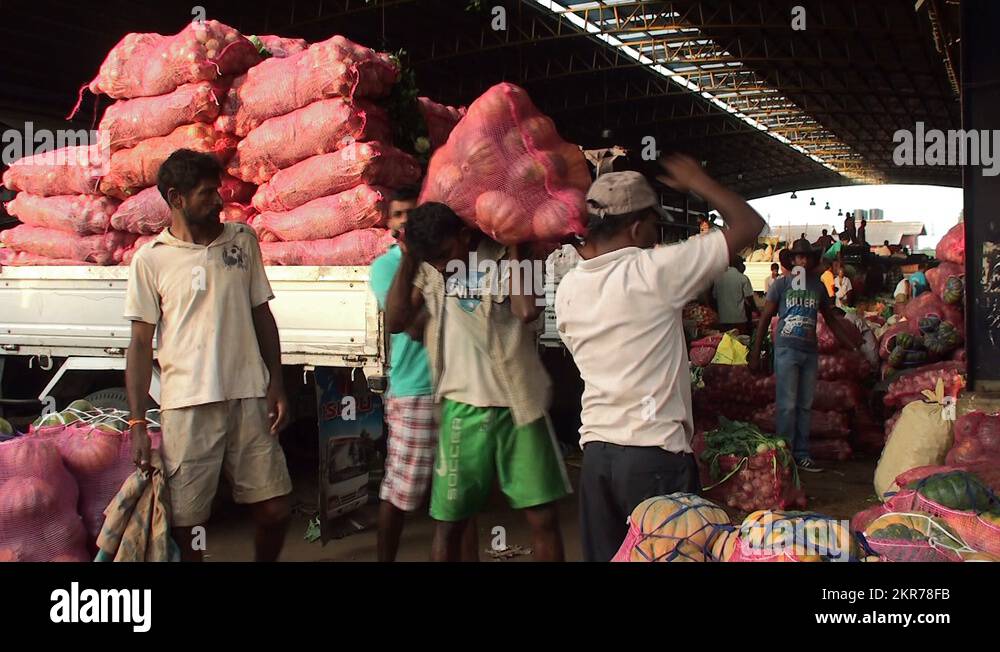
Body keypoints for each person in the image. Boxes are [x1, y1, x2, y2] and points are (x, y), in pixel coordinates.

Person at [555, 157, 765, 561]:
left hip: (597, 457)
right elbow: (747, 224)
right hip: (654, 457)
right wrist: (697, 180)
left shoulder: (569, 288)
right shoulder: (654, 271)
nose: (658, 235)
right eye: (655, 225)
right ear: (636, 227)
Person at [125, 150, 292, 562]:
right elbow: (140, 344)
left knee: (275, 508)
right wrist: (137, 422)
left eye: (217, 190)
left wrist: (276, 381)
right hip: (186, 406)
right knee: (190, 522)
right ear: (176, 198)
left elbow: (261, 314)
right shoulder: (151, 259)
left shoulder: (242, 240)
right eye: (206, 193)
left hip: (248, 396)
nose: (218, 200)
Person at [385, 202, 570, 562]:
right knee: (449, 523)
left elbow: (526, 310)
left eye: (444, 254)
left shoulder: (513, 259)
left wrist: (516, 244)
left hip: (519, 406)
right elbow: (396, 321)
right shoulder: (429, 267)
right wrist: (410, 258)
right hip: (461, 409)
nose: (441, 264)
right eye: (432, 258)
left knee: (542, 517)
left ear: (465, 235)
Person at [369, 187, 477, 562]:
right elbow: (409, 326)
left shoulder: (447, 259)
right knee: (404, 489)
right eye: (399, 216)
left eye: (412, 216)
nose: (405, 223)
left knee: (461, 494)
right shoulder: (388, 267)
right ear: (388, 222)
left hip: (460, 388)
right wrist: (423, 267)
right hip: (415, 387)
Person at [748, 239, 860, 472]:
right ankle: (784, 454)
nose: (802, 261)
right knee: (787, 404)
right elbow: (765, 319)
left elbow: (830, 319)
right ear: (791, 261)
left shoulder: (817, 286)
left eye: (806, 257)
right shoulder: (780, 284)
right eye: (798, 257)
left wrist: (850, 346)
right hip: (786, 349)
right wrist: (755, 351)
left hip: (809, 350)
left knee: (804, 405)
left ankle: (801, 454)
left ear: (811, 261)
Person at [713, 257, 755, 333]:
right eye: (742, 264)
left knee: (725, 342)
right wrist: (756, 310)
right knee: (740, 342)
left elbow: (714, 298)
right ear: (738, 265)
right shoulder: (743, 278)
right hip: (739, 320)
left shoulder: (718, 278)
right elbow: (749, 299)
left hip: (723, 320)